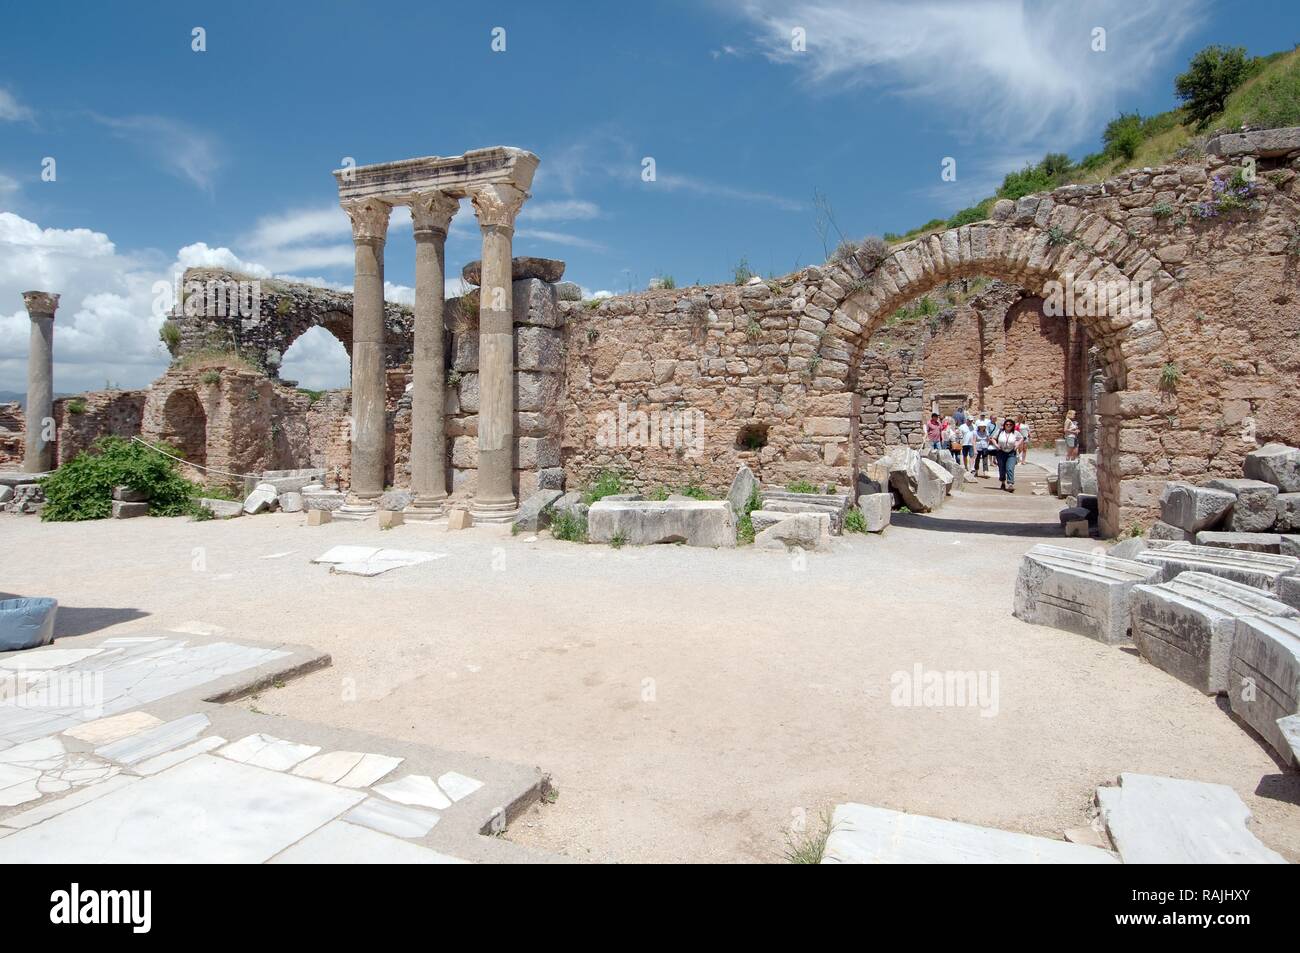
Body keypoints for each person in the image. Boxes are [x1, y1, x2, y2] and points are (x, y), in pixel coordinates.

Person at [995, 417, 1022, 491]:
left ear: (1013, 425)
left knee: (1010, 468)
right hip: (1001, 452)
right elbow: (993, 438)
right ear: (1004, 425)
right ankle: (1003, 483)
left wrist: (1017, 445)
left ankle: (1010, 484)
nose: (1008, 425)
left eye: (1010, 424)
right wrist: (996, 445)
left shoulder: (1015, 433)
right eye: (1007, 424)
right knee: (1002, 469)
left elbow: (1021, 438)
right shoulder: (1000, 431)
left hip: (1011, 453)